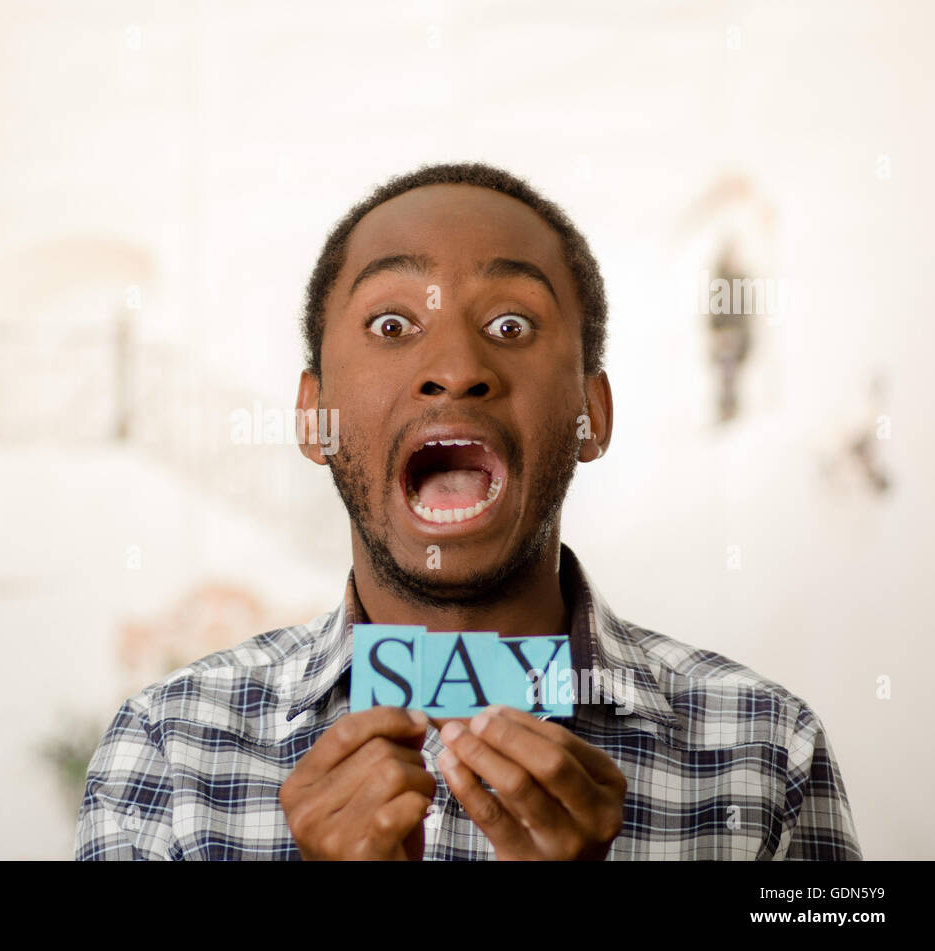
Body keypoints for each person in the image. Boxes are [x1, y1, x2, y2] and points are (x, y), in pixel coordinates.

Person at [74, 162, 862, 861]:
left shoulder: (766, 751)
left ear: (593, 414)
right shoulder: (168, 750)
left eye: (510, 325)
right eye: (392, 325)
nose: (455, 369)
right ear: (314, 418)